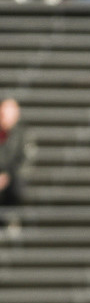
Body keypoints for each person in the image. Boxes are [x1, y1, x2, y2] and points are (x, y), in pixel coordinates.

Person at [0, 98, 28, 237]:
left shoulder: (22, 134)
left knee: (18, 185)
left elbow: (24, 160)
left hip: (11, 179)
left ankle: (12, 220)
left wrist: (7, 176)